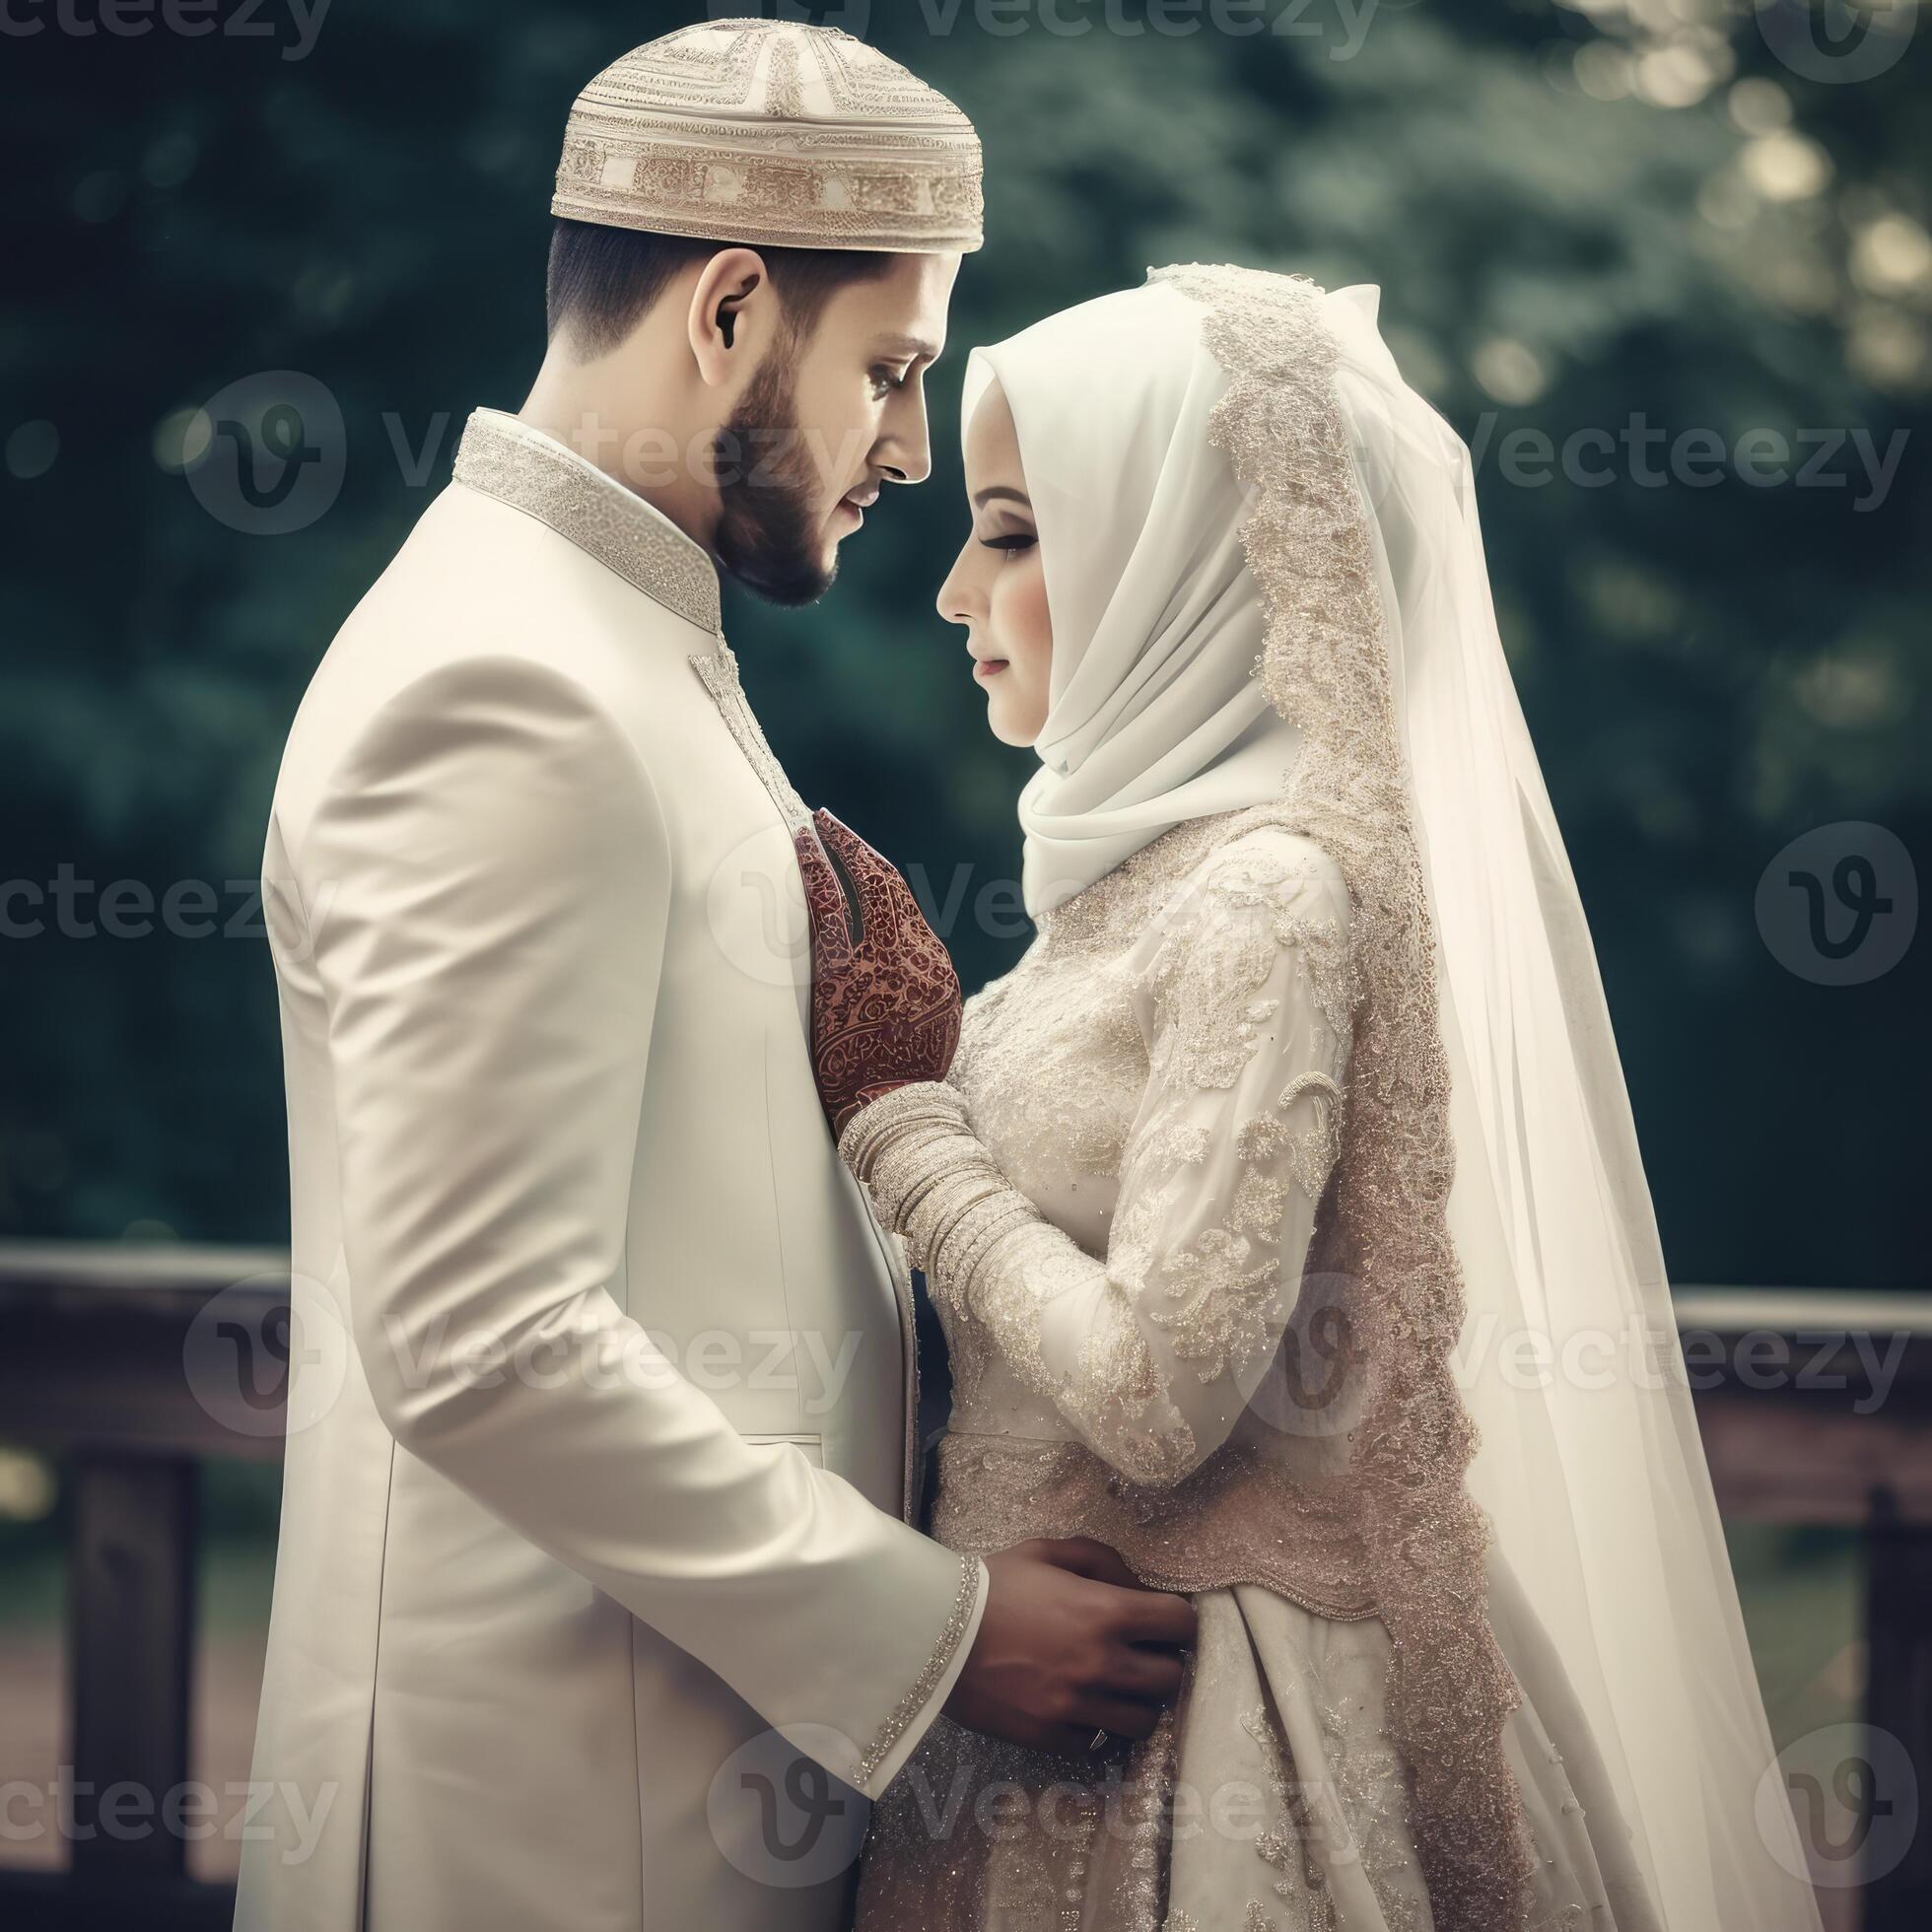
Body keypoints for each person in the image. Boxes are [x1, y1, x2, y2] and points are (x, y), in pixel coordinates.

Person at [236, 23, 1191, 1932]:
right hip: (543, 1834)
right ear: (731, 310)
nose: (910, 451)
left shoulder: (613, 634)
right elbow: (475, 1330)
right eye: (891, 372)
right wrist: (938, 1631)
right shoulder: (500, 681)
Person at [814, 268, 1828, 1930]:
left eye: (1011, 529)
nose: (950, 593)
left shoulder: (1269, 895)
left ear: (1177, 556)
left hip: (1209, 1737)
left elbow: (1157, 1395)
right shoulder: (1137, 894)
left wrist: (908, 1137)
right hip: (1029, 1702)